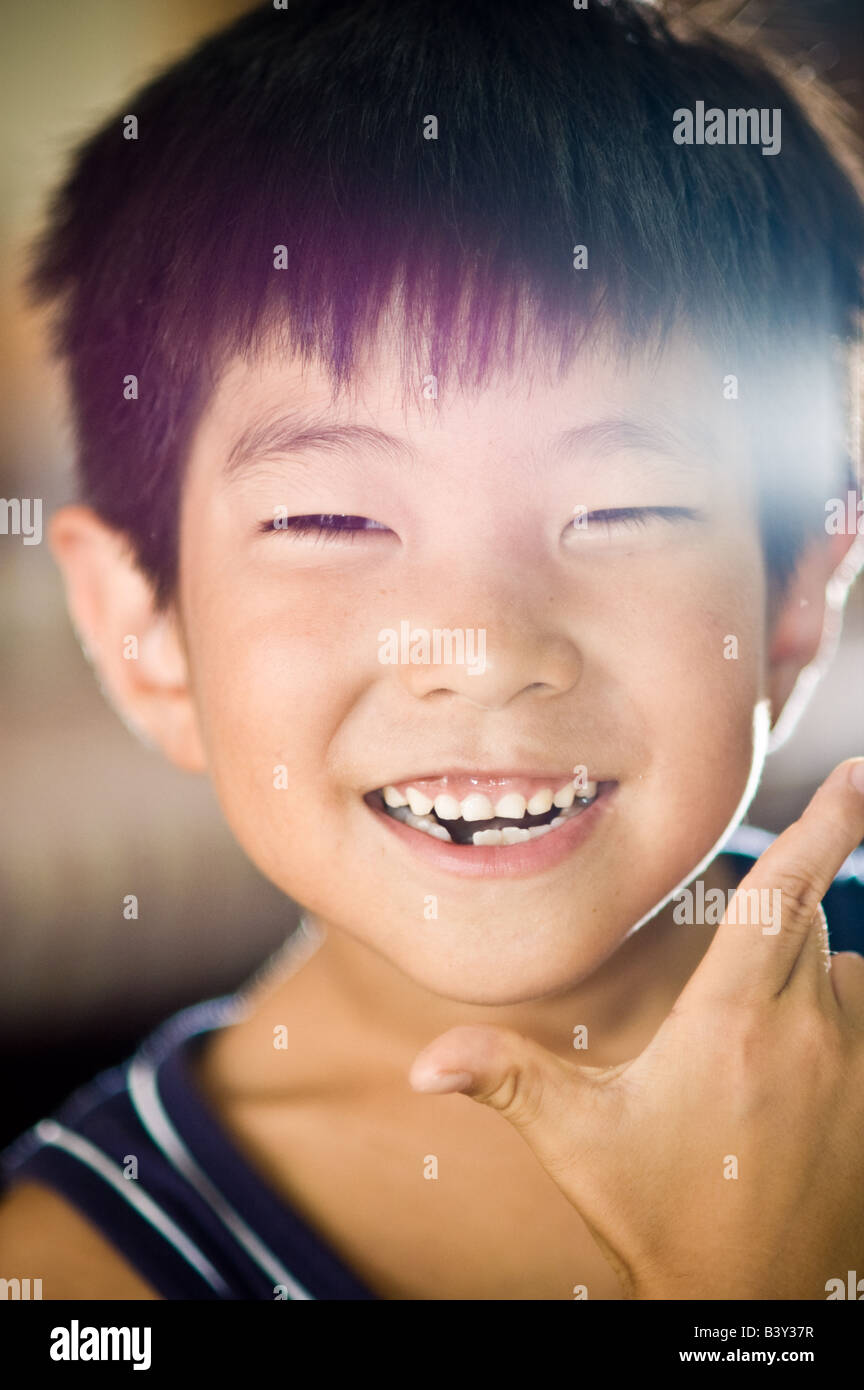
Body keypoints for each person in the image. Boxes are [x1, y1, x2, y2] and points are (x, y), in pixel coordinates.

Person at [1, 0, 863, 1300]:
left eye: (620, 510)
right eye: (332, 516)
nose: (483, 648)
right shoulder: (79, 1272)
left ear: (798, 597)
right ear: (144, 633)